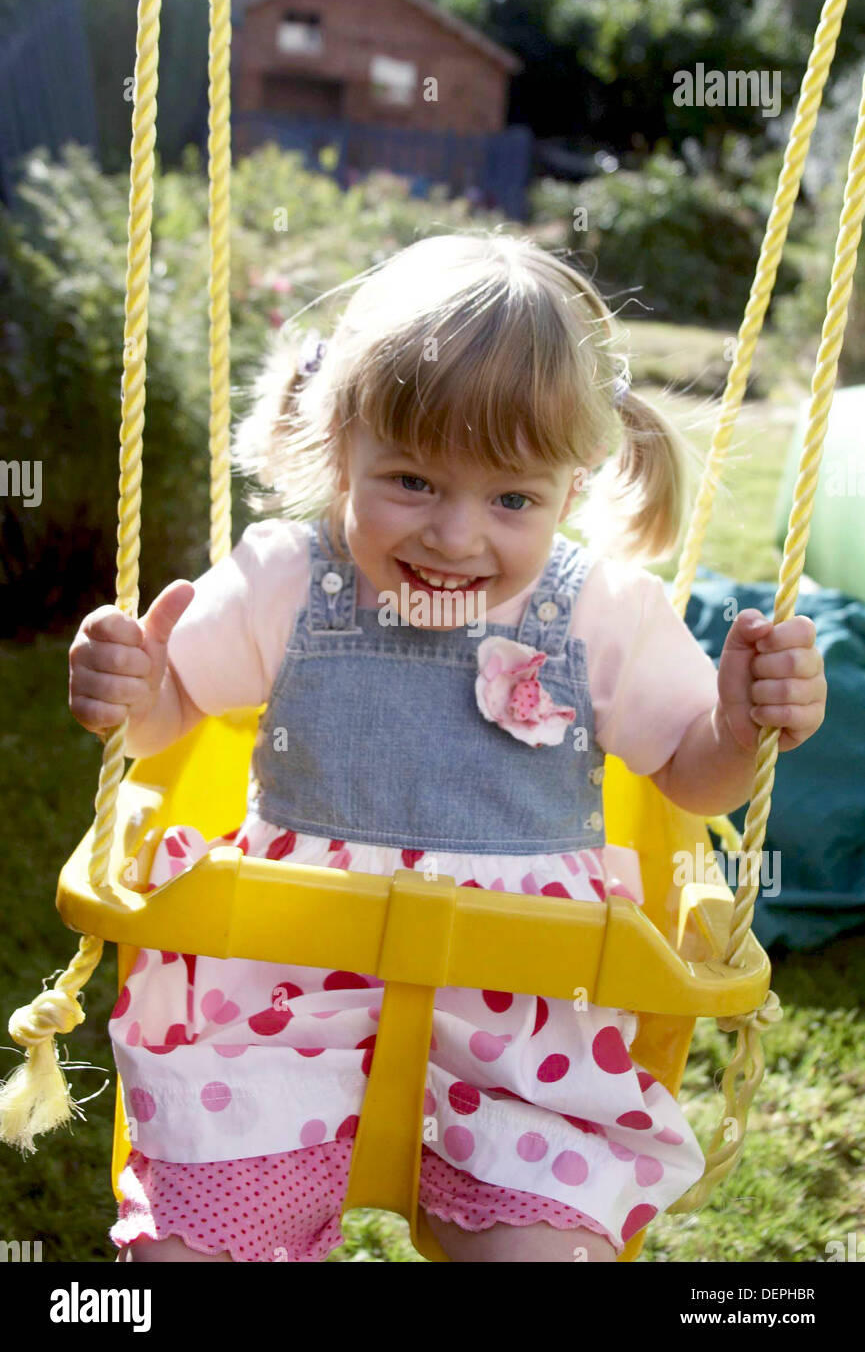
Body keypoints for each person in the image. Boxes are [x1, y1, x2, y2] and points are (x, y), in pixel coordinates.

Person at [67, 231, 827, 1263]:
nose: (456, 536)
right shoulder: (288, 579)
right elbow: (172, 712)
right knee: (178, 1259)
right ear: (343, 447)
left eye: (510, 498)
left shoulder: (603, 614)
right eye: (413, 481)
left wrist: (740, 726)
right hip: (278, 1015)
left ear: (570, 488)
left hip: (521, 1043)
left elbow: (692, 773)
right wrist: (133, 687)